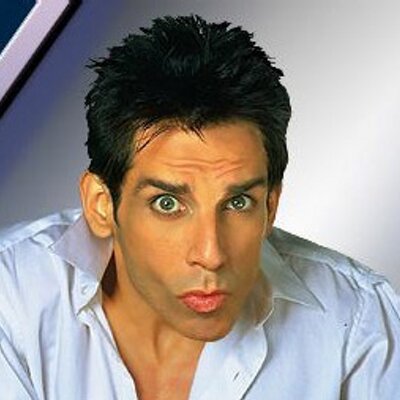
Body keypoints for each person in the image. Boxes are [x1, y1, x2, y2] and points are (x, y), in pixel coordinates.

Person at [0, 14, 399, 400]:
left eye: (238, 202)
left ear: (271, 206)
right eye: (167, 203)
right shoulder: (12, 297)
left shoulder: (358, 321)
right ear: (101, 205)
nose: (211, 255)